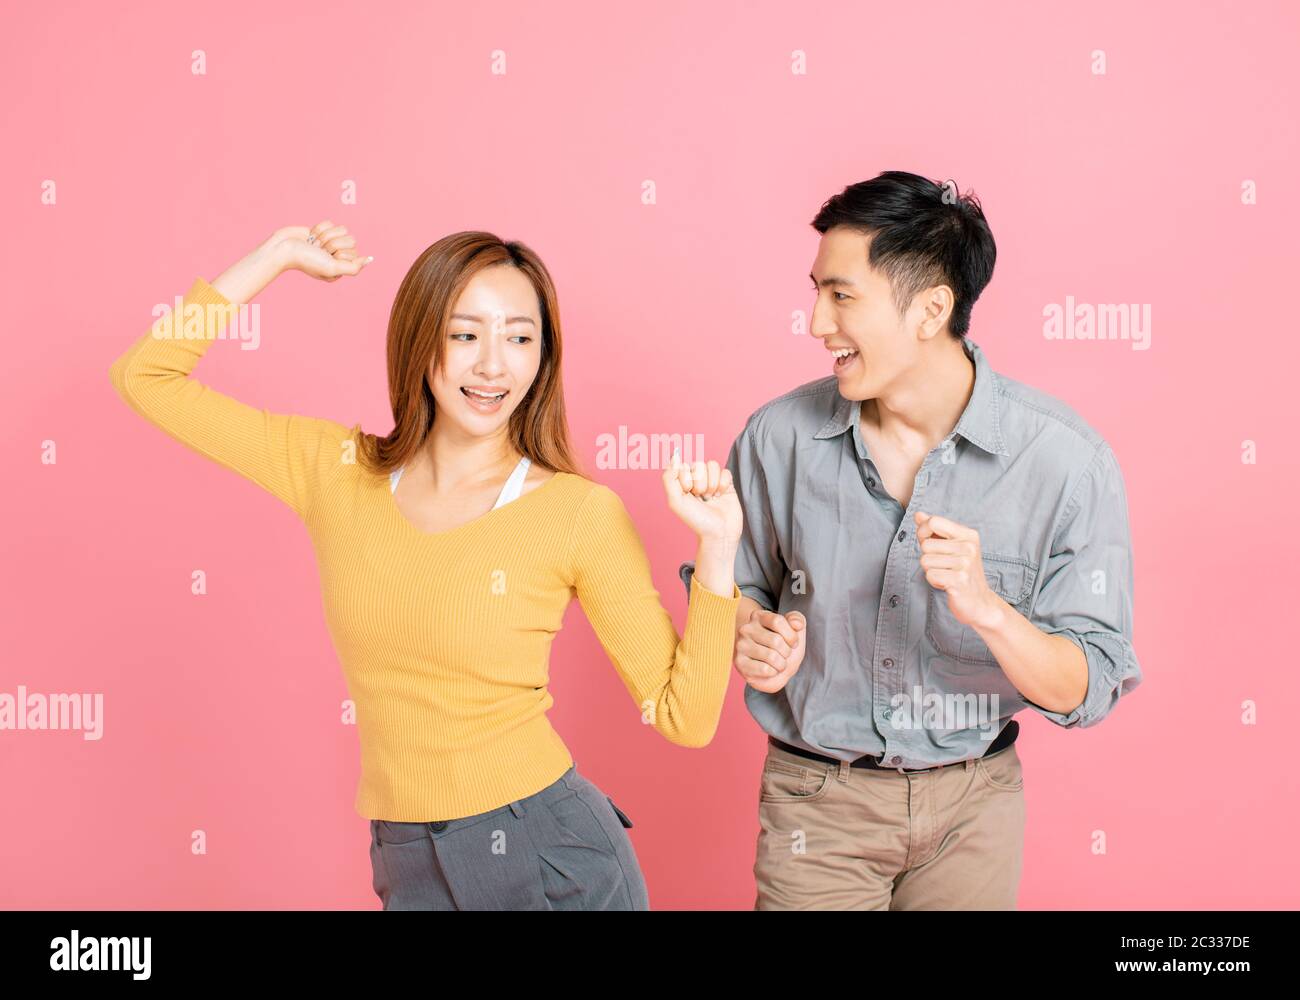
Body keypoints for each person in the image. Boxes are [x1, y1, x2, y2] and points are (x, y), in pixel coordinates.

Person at [109, 222, 743, 910]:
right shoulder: (337, 472)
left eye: (520, 338)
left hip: (552, 852)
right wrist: (274, 258)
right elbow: (146, 377)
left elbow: (686, 718)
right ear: (421, 340)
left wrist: (717, 552)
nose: (494, 366)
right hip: (406, 855)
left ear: (544, 356)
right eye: (466, 334)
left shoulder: (577, 513)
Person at [715, 170, 1143, 910]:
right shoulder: (776, 438)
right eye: (816, 291)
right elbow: (728, 585)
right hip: (816, 801)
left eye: (842, 295)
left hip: (973, 812)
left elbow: (1088, 685)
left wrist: (989, 610)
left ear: (931, 308)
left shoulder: (1067, 463)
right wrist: (745, 628)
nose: (817, 323)